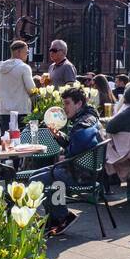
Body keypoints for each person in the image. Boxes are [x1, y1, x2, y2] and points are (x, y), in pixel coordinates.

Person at [22, 87, 101, 237]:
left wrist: (67, 156)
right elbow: (74, 145)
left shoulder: (83, 125)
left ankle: (60, 218)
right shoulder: (88, 117)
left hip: (80, 173)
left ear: (78, 104)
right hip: (82, 169)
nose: (64, 108)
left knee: (36, 180)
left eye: (67, 103)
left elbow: (75, 149)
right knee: (36, 175)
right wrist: (58, 136)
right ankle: (57, 218)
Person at [0, 39, 36, 136]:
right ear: (18, 52)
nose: (27, 54)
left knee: (6, 140)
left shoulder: (0, 67)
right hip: (21, 110)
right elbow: (32, 90)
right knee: (21, 142)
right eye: (26, 52)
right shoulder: (24, 67)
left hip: (3, 111)